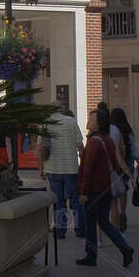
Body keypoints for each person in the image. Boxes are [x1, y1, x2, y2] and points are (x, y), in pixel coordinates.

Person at [76, 110, 136, 268]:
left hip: (93, 190)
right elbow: (115, 163)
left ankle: (91, 256)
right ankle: (125, 248)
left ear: (99, 123)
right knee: (104, 222)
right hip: (106, 188)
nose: (88, 121)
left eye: (92, 119)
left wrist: (83, 192)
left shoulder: (94, 142)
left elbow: (88, 169)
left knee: (91, 224)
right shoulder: (107, 139)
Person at [42, 103, 86, 240]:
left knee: (58, 201)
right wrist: (83, 163)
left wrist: (41, 167)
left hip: (52, 168)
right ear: (62, 110)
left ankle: (60, 231)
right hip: (71, 168)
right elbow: (80, 145)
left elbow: (41, 147)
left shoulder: (45, 124)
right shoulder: (71, 122)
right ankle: (80, 229)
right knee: (75, 199)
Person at [110, 107, 139, 232]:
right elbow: (133, 147)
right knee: (124, 188)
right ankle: (123, 213)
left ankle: (115, 217)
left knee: (114, 193)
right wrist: (137, 161)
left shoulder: (111, 130)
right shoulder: (128, 130)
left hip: (115, 163)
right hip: (127, 162)